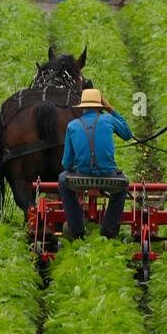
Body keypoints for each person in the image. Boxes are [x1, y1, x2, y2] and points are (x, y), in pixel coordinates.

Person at [58, 87, 131, 240]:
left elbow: (66, 163)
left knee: (63, 181)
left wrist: (77, 167)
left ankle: (77, 230)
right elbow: (127, 134)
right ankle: (109, 230)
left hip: (80, 178)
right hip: (109, 178)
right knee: (123, 184)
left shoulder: (72, 125)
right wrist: (111, 110)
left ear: (82, 107)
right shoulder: (109, 119)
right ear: (100, 107)